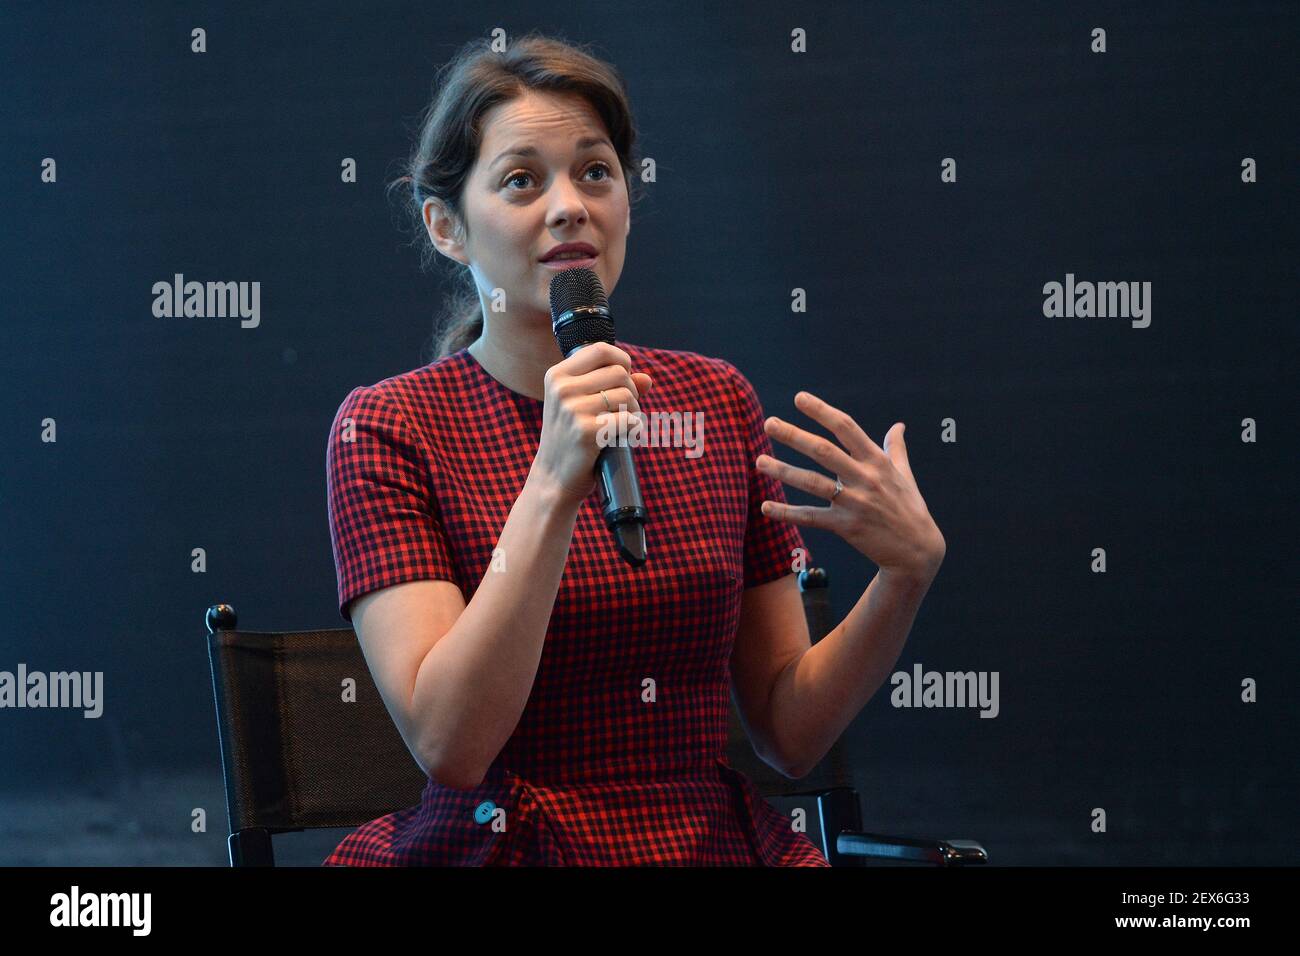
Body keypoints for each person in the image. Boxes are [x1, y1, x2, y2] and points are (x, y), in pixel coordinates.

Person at [322, 34, 946, 866]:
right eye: (520, 180)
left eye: (595, 172)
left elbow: (788, 732)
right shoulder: (391, 427)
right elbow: (451, 744)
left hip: (705, 843)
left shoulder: (713, 400)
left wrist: (903, 579)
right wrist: (552, 480)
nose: (570, 205)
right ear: (446, 227)